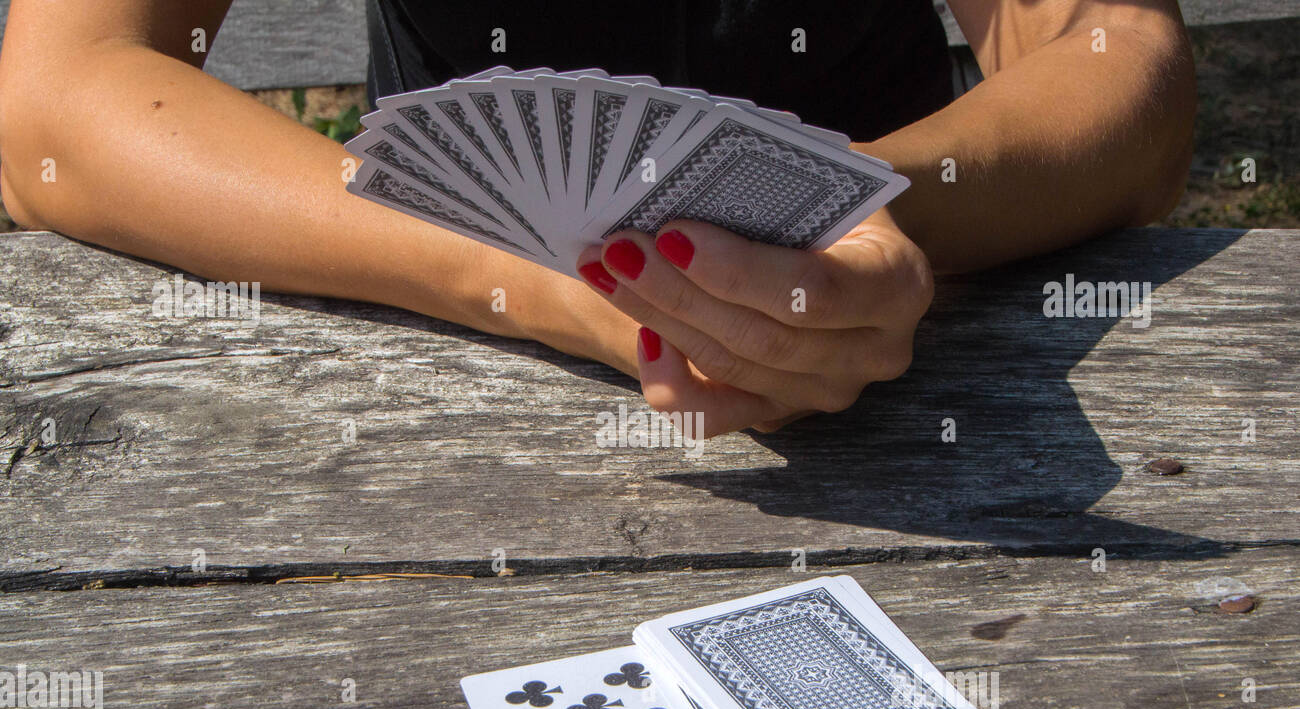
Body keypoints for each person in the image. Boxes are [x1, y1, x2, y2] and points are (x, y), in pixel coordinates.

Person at [0, 1, 1195, 437]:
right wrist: (517, 273)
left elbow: (1119, 54)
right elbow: (55, 101)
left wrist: (871, 216)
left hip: (926, 403)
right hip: (418, 415)